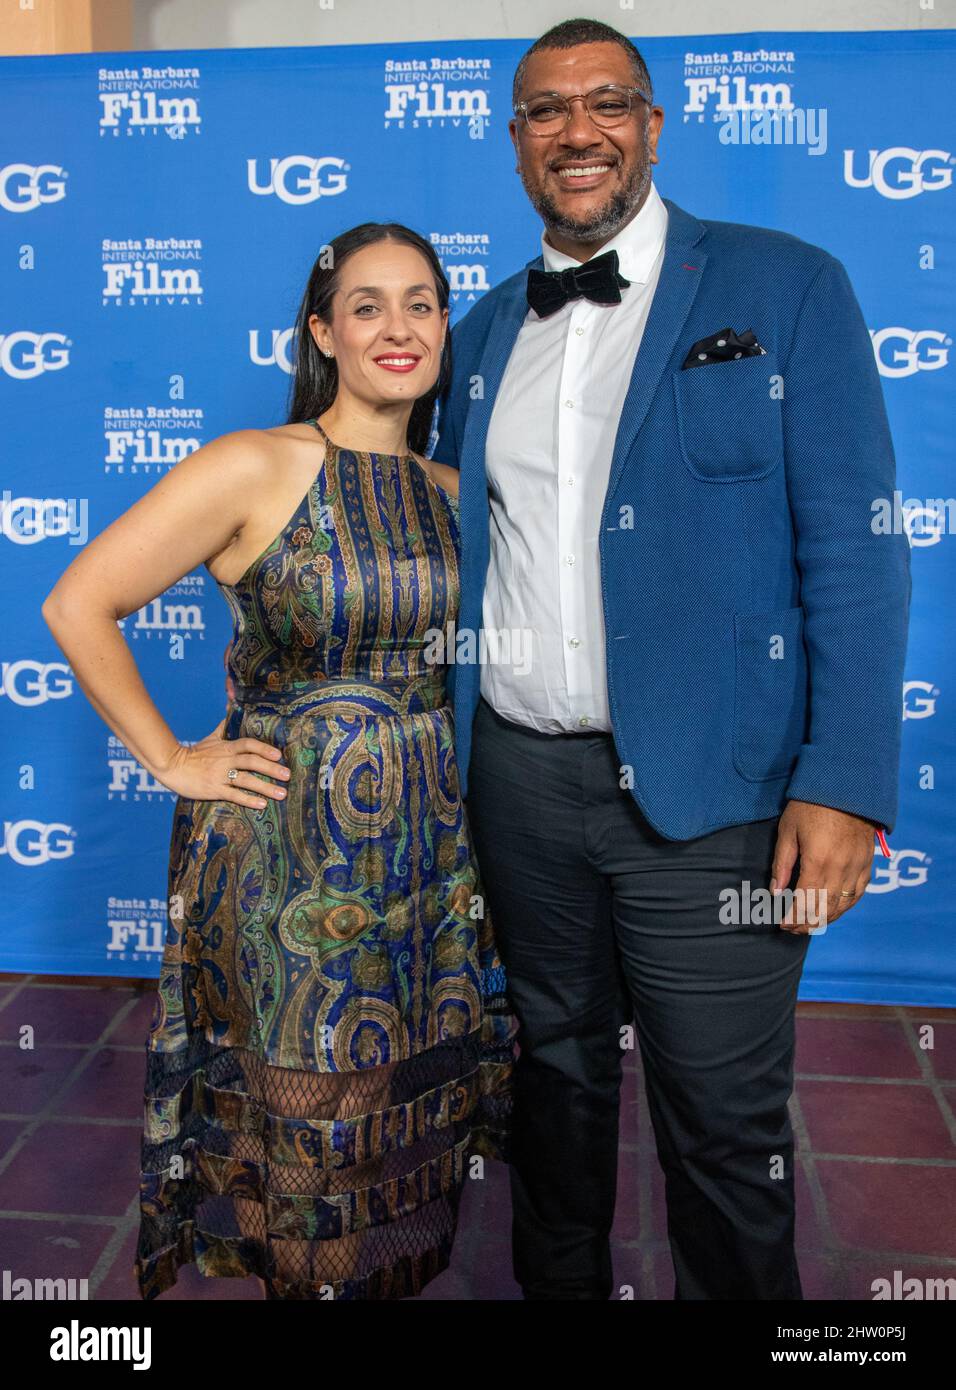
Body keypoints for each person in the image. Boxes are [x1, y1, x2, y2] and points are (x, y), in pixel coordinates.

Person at [434, 18, 911, 1300]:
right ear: (516, 142)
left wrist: (847, 779)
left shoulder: (784, 284)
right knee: (552, 1089)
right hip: (519, 792)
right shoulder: (476, 336)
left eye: (605, 104)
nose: (575, 132)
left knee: (722, 1129)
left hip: (721, 796)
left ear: (651, 125)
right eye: (544, 111)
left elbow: (856, 551)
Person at [42, 223, 516, 1301]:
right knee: (312, 1137)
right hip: (290, 868)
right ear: (322, 332)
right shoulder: (256, 463)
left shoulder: (452, 491)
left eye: (420, 303)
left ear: (445, 326)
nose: (397, 327)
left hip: (428, 867)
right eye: (365, 306)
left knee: (404, 1136)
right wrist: (172, 756)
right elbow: (79, 602)